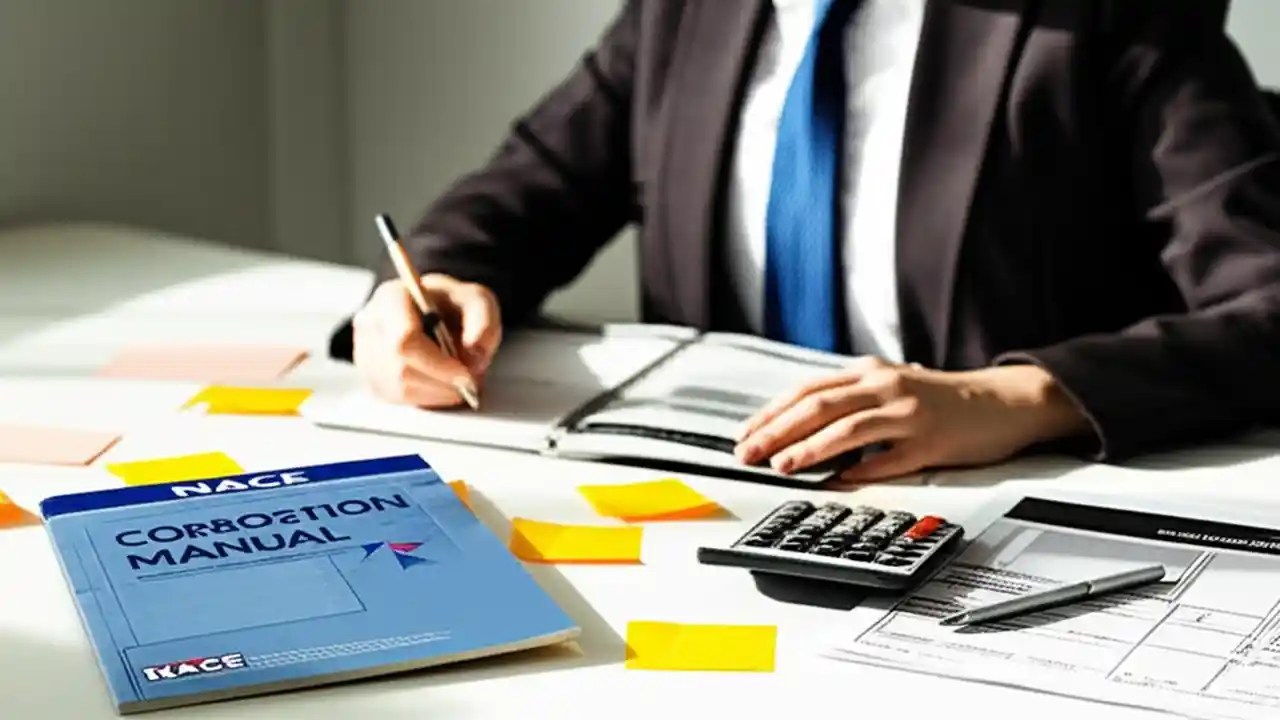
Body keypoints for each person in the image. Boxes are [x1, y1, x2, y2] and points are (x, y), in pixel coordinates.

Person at [331, 0, 1280, 482]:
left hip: (987, 507)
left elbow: (1268, 304)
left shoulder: (1118, 16)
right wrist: (432, 283)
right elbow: (532, 186)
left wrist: (1018, 397)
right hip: (719, 495)